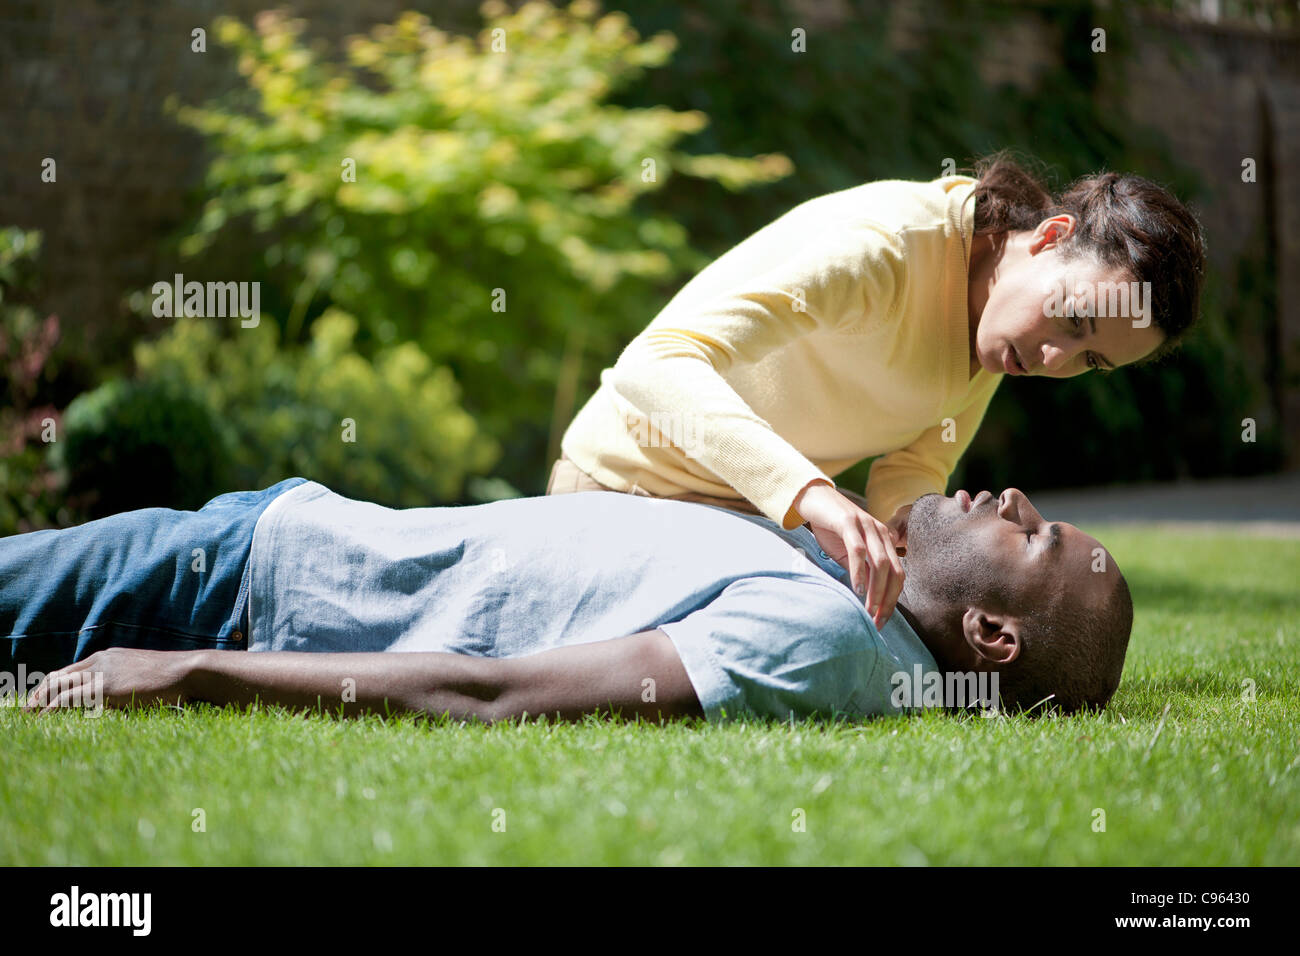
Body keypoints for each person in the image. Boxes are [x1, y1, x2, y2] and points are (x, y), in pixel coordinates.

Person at [547, 151, 1204, 632]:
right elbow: (652, 365)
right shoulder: (887, 250)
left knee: (872, 626)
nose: (1053, 359)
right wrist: (815, 499)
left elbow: (915, 463)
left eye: (1089, 360)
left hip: (746, 515)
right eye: (1071, 319)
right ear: (1052, 237)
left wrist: (915, 540)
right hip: (620, 492)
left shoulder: (999, 327)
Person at [7, 477, 1132, 722]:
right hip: (268, 537)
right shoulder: (854, 595)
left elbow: (498, 695)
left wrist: (182, 667)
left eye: (1030, 535)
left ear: (991, 633)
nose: (1018, 497)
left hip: (232, 595)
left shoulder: (829, 638)